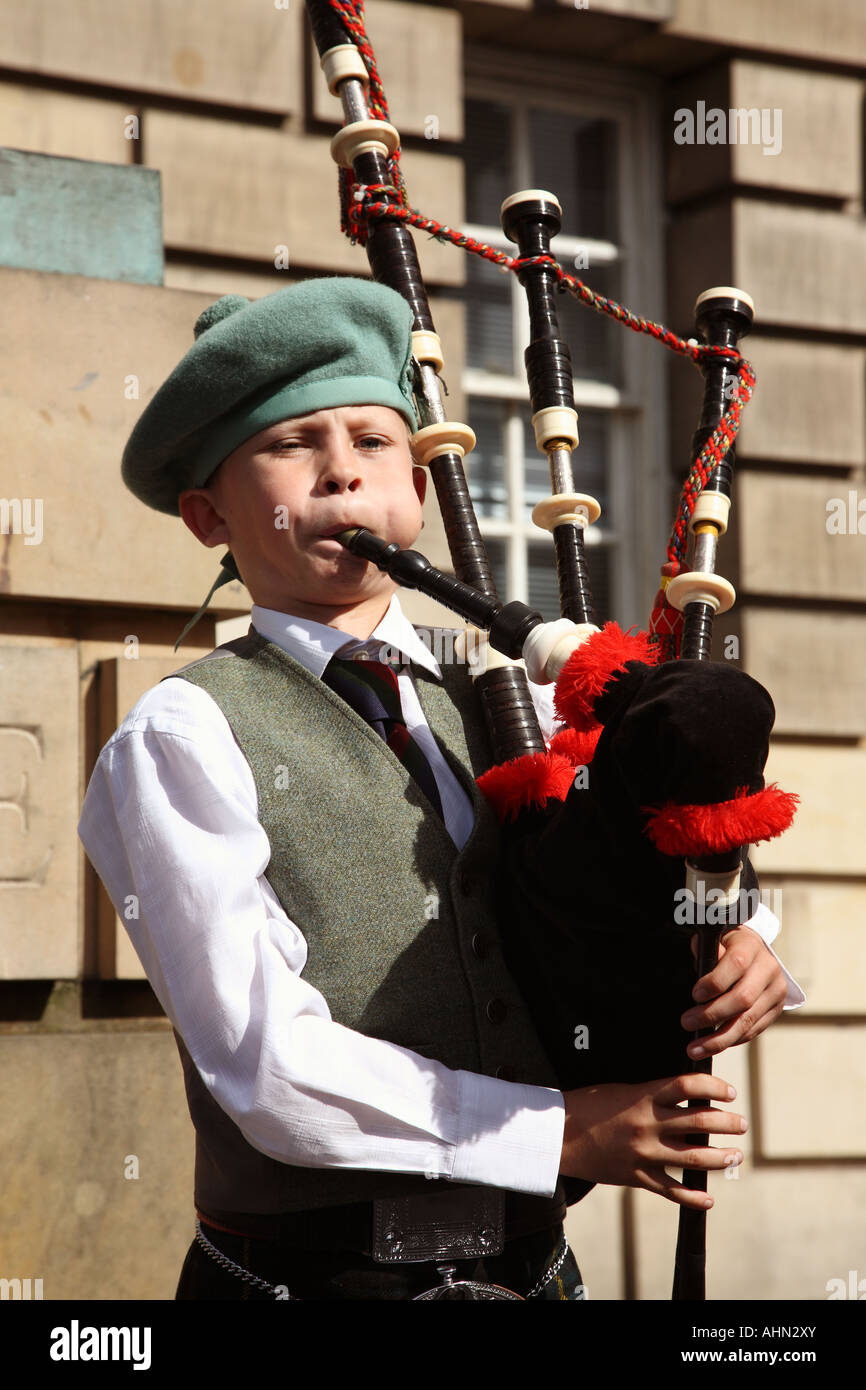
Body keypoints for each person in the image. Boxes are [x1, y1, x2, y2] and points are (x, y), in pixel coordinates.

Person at [78, 277, 801, 1301]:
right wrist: (562, 1130)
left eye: (373, 442)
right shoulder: (183, 735)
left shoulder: (510, 692)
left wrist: (742, 939)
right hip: (314, 1283)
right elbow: (269, 1068)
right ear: (208, 515)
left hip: (535, 1270)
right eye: (291, 445)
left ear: (415, 490)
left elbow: (627, 852)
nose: (341, 475)